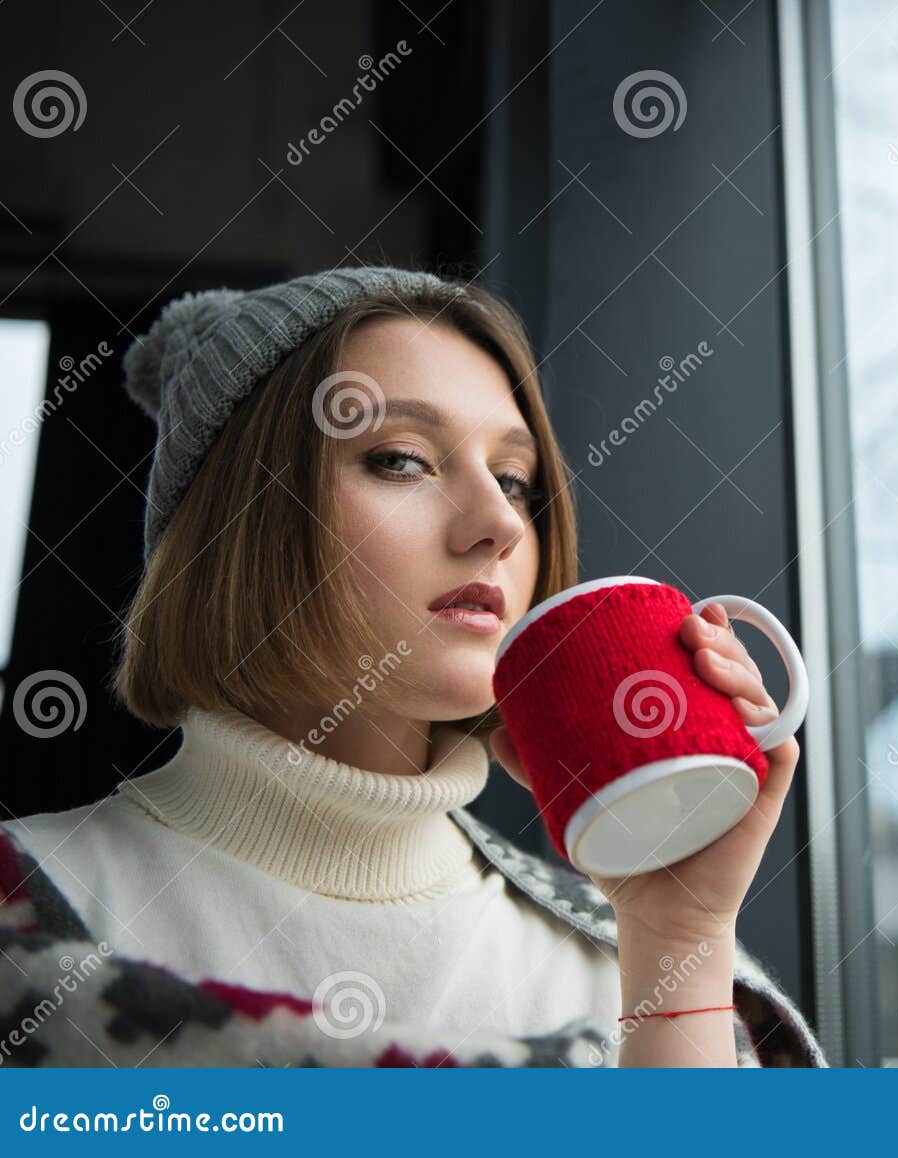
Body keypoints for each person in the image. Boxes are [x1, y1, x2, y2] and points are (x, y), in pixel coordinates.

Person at [0, 267, 824, 1068]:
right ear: (234, 524)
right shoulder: (31, 906)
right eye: (400, 459)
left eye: (513, 478)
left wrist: (681, 937)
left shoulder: (636, 969)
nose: (500, 522)